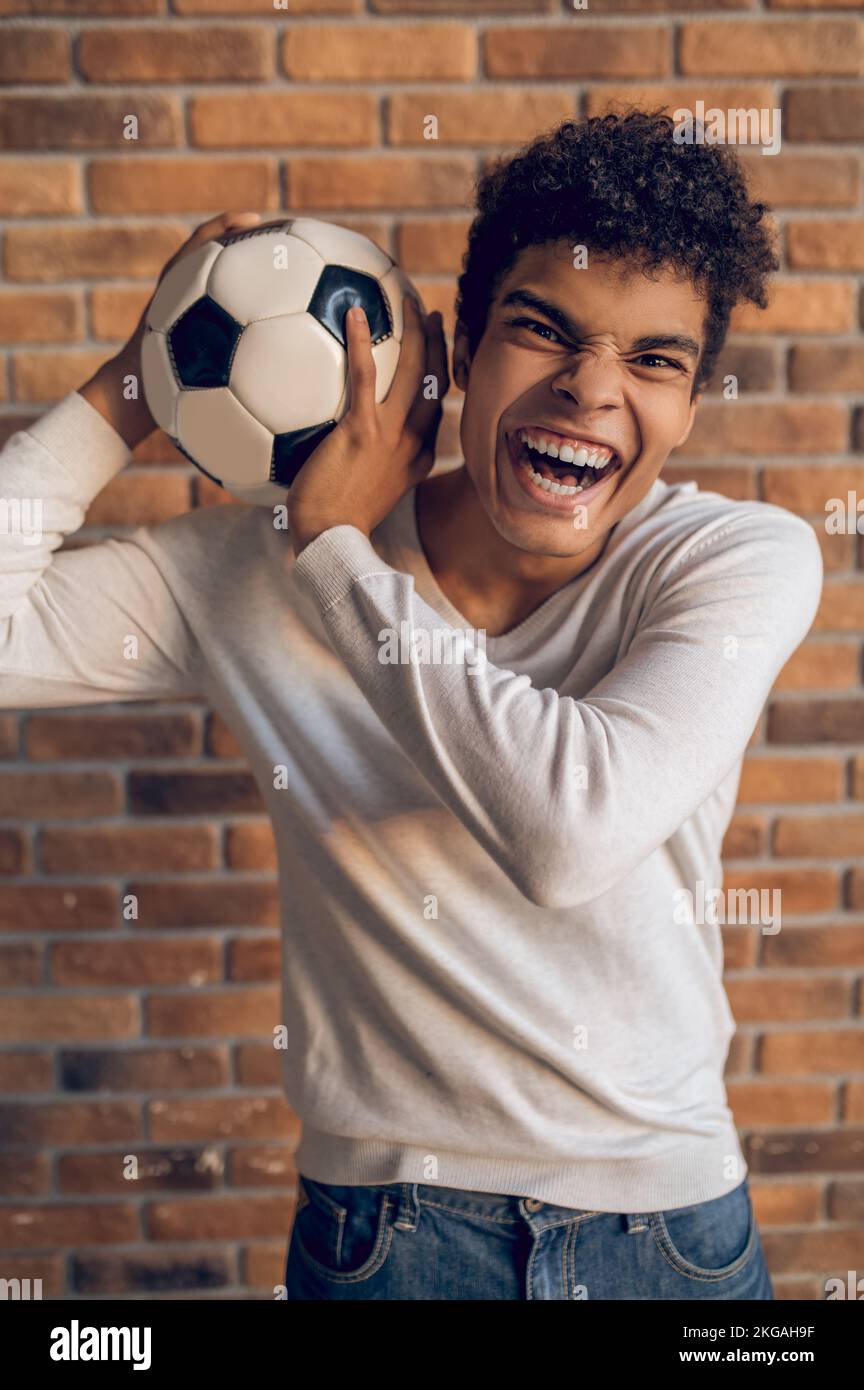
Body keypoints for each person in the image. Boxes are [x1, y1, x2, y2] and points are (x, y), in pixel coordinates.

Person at [0, 111, 821, 1301]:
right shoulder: (245, 572)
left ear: (691, 404)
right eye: (545, 334)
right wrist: (137, 382)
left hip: (669, 1236)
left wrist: (337, 555)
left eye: (655, 360)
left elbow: (566, 829)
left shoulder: (736, 561)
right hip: (383, 1236)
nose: (593, 391)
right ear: (460, 345)